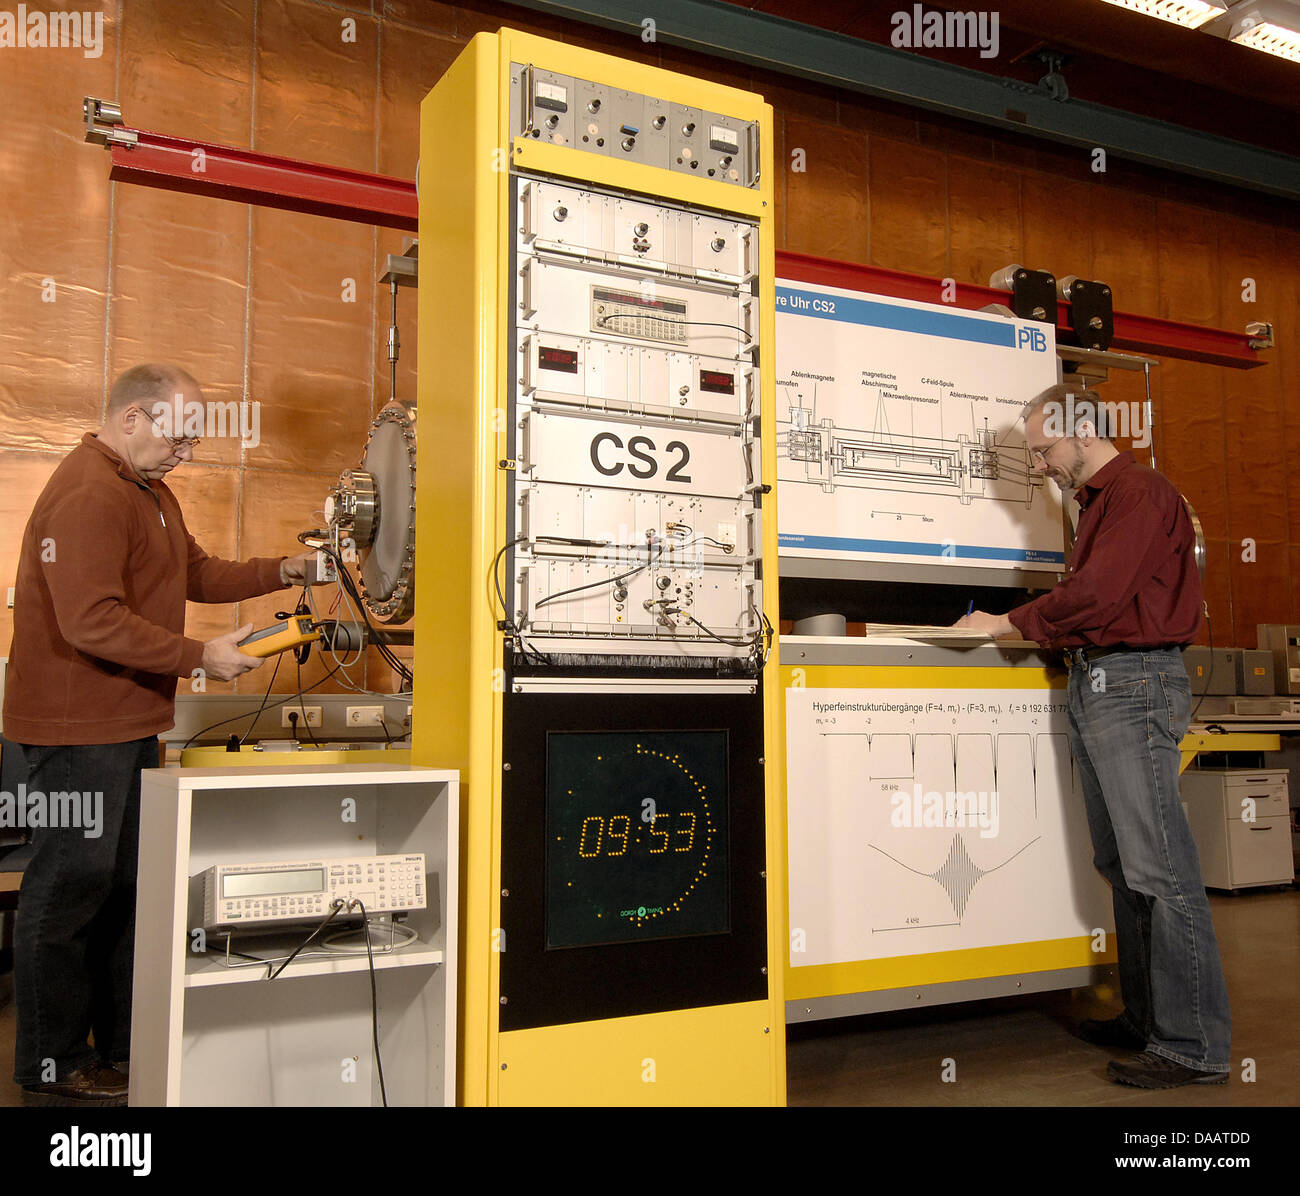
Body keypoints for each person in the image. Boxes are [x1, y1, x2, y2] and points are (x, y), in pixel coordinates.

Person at [3, 363, 310, 1104]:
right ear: (133, 417)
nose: (187, 454)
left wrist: (289, 567)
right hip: (80, 731)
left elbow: (195, 573)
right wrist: (200, 656)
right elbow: (91, 621)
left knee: (125, 892)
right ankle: (51, 1062)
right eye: (179, 437)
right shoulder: (88, 493)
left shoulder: (149, 491)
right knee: (68, 889)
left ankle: (119, 1048)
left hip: (132, 725)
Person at [956, 383, 1230, 1089]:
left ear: (1081, 431)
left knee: (1160, 871)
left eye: (1045, 450)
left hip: (1133, 687)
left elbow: (1101, 597)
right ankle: (1149, 1019)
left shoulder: (1137, 494)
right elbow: (1097, 605)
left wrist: (1005, 623)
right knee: (1125, 866)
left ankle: (1194, 1044)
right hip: (1104, 684)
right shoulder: (1100, 506)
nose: (1041, 466)